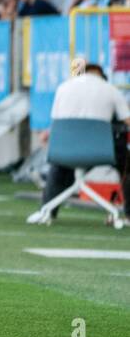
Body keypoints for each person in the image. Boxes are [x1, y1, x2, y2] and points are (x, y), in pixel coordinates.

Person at [35, 62, 130, 220]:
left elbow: (56, 123)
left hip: (65, 151)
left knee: (59, 168)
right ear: (101, 75)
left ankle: (47, 211)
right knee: (127, 164)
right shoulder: (110, 89)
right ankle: (129, 214)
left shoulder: (63, 88)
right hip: (100, 151)